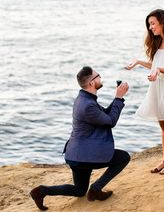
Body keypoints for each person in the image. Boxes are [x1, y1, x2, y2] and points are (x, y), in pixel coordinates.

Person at [30, 66, 130, 210]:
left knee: (79, 190)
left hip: (75, 155)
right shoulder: (88, 105)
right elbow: (110, 121)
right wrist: (118, 98)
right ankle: (96, 189)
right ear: (91, 83)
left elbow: (104, 116)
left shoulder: (84, 98)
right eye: (98, 76)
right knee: (123, 157)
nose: (101, 78)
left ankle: (41, 191)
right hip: (84, 156)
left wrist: (117, 99)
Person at [126, 9, 164, 175]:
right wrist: (138, 62)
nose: (150, 27)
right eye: (149, 24)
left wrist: (159, 70)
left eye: (152, 23)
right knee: (163, 126)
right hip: (158, 87)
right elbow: (155, 65)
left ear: (162, 22)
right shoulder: (159, 41)